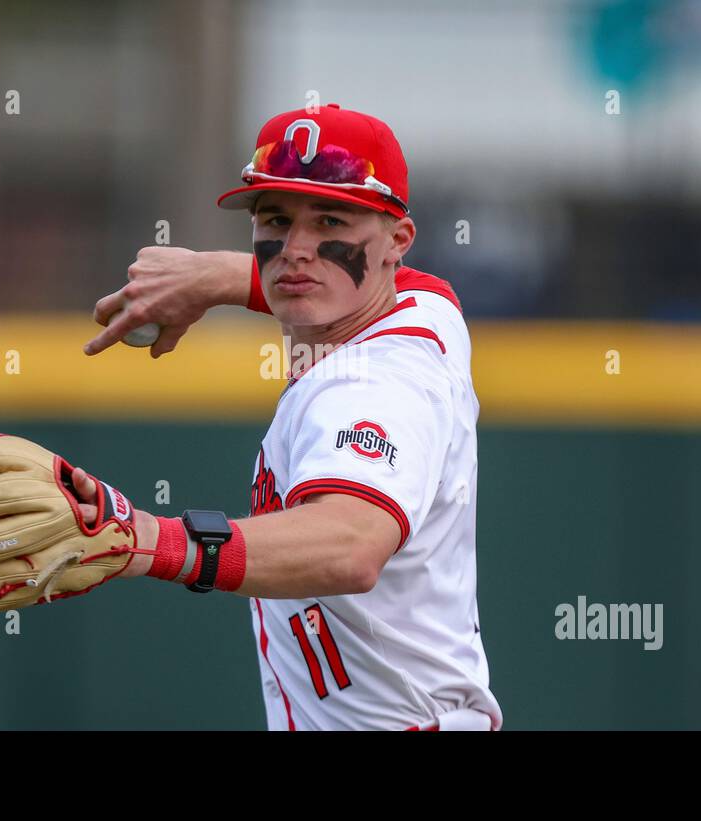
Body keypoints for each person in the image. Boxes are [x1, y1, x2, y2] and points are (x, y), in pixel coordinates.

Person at [79, 104, 501, 731]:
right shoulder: (420, 312)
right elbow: (393, 282)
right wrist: (214, 276)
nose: (296, 250)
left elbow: (352, 544)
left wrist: (151, 541)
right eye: (276, 219)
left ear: (397, 240)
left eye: (331, 218)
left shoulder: (376, 384)